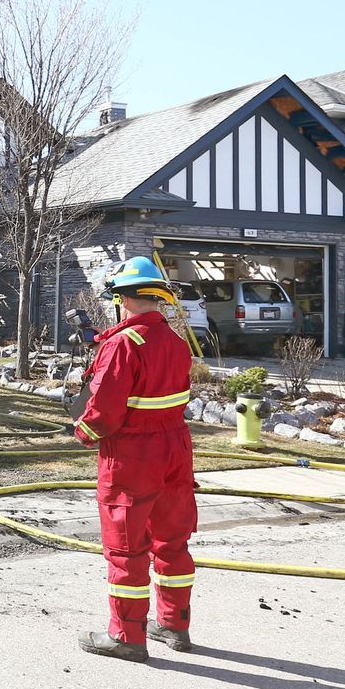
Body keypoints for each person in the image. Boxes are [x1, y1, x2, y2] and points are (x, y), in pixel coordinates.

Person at [73, 256, 197, 663]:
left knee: (127, 547)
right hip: (175, 448)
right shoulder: (176, 343)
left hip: (132, 455)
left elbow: (104, 413)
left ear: (122, 298)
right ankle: (174, 625)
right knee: (172, 540)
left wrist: (83, 431)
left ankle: (127, 637)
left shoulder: (123, 345)